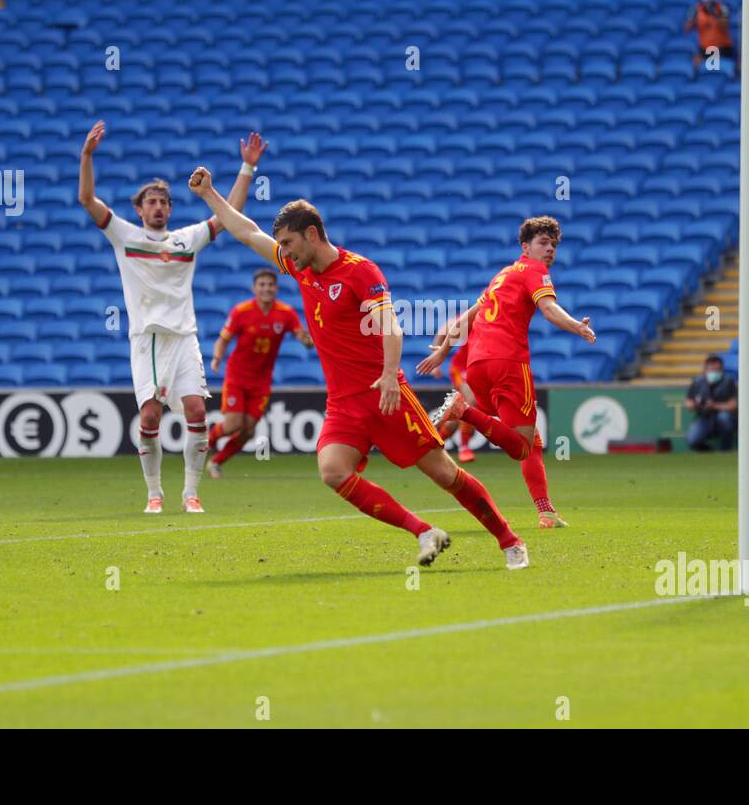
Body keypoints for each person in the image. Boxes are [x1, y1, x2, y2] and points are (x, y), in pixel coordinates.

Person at [188, 168, 529, 569]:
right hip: (344, 403)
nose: (284, 251)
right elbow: (246, 232)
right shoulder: (299, 267)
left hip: (386, 395)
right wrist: (210, 194)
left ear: (312, 234)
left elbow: (391, 327)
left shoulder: (360, 272)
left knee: (444, 474)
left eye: (289, 242)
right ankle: (423, 531)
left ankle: (510, 540)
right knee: (333, 471)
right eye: (281, 243)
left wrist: (388, 374)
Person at [79, 122, 263, 514]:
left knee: (197, 411)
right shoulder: (125, 236)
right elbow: (87, 200)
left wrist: (246, 168)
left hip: (184, 338)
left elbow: (230, 217)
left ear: (171, 209)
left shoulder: (187, 239)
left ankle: (191, 492)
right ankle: (153, 492)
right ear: (139, 209)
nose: (159, 207)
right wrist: (87, 155)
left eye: (164, 201)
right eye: (152, 201)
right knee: (149, 415)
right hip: (148, 338)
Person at [419, 216, 597, 530]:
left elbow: (469, 317)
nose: (550, 250)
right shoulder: (534, 270)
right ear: (525, 247)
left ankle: (546, 512)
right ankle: (464, 411)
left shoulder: (502, 275)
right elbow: (549, 309)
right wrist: (577, 328)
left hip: (477, 366)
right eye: (543, 243)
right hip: (508, 363)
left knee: (533, 441)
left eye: (553, 244)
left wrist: (444, 351)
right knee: (521, 446)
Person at [206, 268, 313, 477]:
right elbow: (223, 339)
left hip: (262, 381)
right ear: (254, 288)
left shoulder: (286, 313)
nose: (266, 288)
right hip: (237, 376)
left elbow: (302, 336)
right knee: (233, 424)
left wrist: (307, 341)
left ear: (276, 288)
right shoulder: (241, 311)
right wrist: (217, 357)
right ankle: (204, 444)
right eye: (262, 285)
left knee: (249, 430)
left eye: (270, 285)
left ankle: (216, 462)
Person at [429, 324, 478, 464]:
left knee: (457, 418)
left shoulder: (500, 322)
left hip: (479, 370)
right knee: (471, 401)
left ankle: (433, 446)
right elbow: (445, 329)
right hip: (462, 368)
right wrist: (436, 357)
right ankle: (464, 448)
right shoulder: (476, 316)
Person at [684, 355, 737, 451]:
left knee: (724, 418)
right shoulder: (697, 382)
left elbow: (733, 405)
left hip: (724, 416)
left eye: (717, 370)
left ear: (722, 370)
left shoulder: (728, 382)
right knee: (692, 439)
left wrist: (714, 405)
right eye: (711, 369)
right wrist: (699, 404)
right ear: (705, 369)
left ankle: (726, 449)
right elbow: (689, 403)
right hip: (704, 417)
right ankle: (707, 452)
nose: (713, 372)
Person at [684, 0, 736, 73]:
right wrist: (692, 19)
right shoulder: (696, 9)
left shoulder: (721, 7)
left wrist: (715, 14)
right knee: (699, 67)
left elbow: (725, 25)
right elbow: (686, 29)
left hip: (721, 48)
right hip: (705, 48)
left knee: (716, 71)